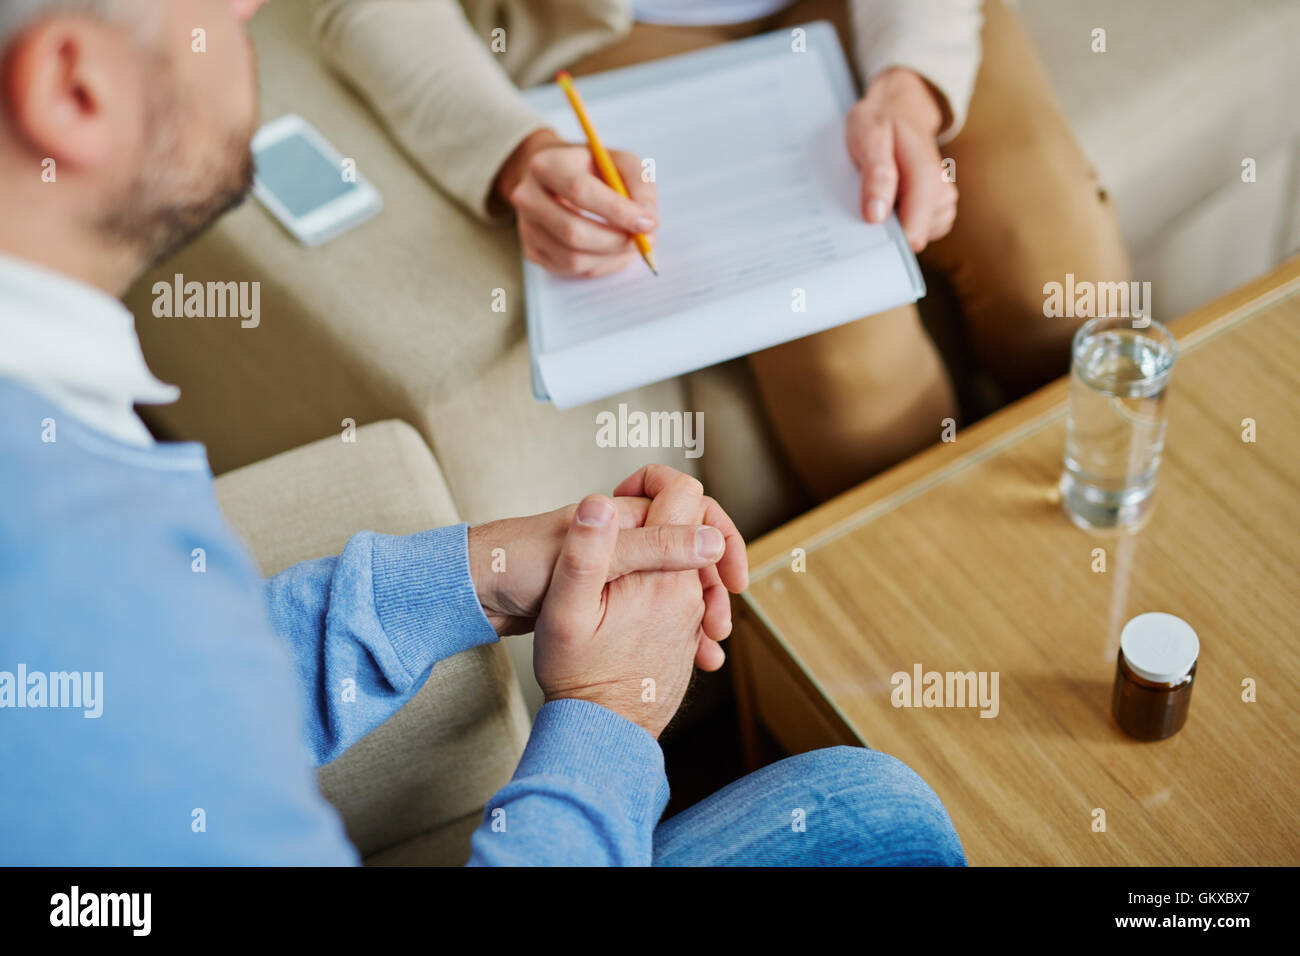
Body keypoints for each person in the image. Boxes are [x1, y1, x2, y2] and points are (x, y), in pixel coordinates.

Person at [0, 0, 965, 866]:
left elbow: (186, 695)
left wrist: (484, 571)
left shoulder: (56, 446)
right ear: (73, 88)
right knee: (887, 825)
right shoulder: (76, 574)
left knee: (867, 800)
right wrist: (608, 718)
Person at [314, 0, 1130, 498]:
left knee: (1063, 279)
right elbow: (366, 7)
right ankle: (951, 591)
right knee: (844, 342)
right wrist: (516, 155)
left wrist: (910, 86)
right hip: (626, 30)